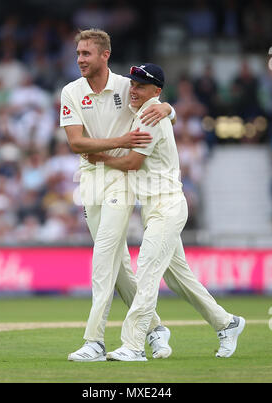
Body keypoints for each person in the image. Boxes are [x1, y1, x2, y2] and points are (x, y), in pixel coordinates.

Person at [87, 63, 246, 361]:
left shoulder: (149, 115)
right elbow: (163, 118)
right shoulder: (148, 111)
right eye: (132, 85)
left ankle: (133, 345)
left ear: (156, 91)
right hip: (156, 207)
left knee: (146, 272)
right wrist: (170, 109)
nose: (133, 90)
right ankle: (228, 323)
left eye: (141, 87)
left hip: (167, 206)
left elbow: (132, 163)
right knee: (178, 278)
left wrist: (97, 156)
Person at [60, 29, 176, 362]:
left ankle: (94, 340)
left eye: (86, 53)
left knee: (104, 256)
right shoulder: (71, 92)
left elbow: (157, 102)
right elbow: (76, 143)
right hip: (90, 180)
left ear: (104, 55)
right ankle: (155, 329)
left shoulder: (128, 87)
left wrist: (169, 109)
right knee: (119, 265)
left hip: (122, 178)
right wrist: (120, 139)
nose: (80, 59)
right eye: (78, 53)